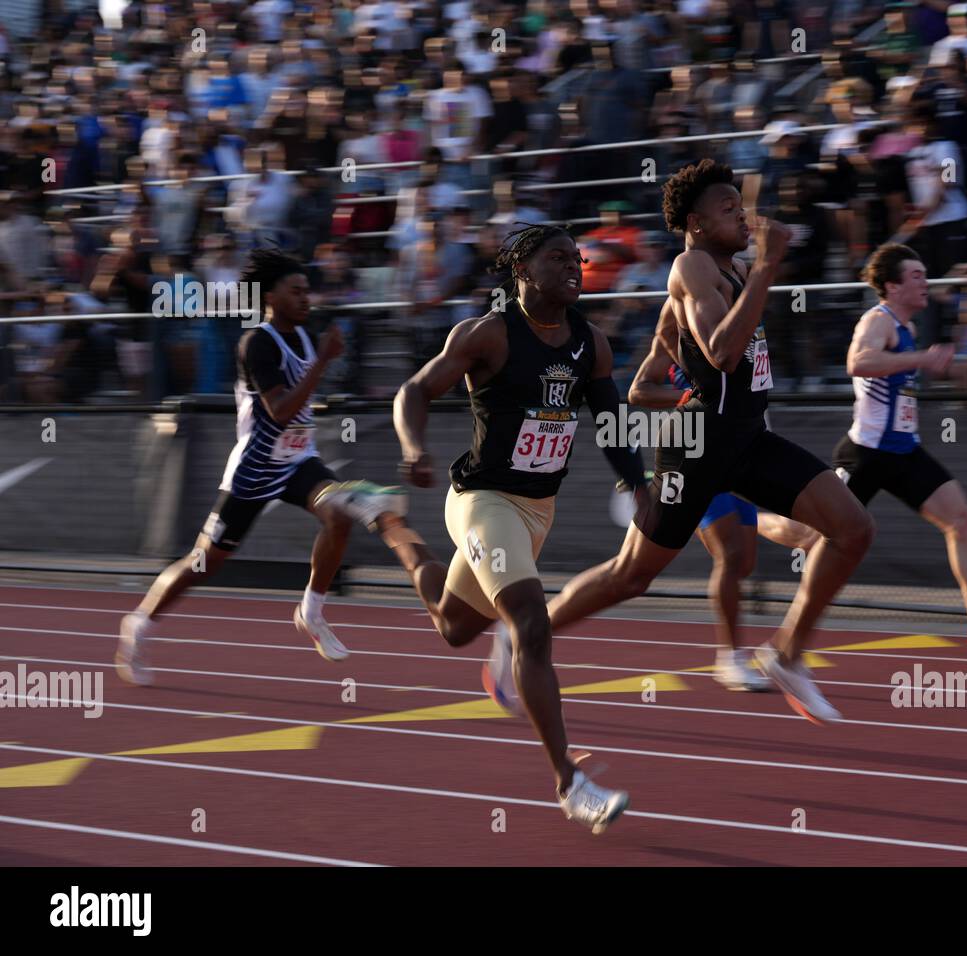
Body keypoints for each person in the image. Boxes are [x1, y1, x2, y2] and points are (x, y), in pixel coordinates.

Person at [542, 159, 875, 725]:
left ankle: (787, 655)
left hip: (747, 438)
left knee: (852, 528)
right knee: (632, 576)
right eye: (729, 210)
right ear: (695, 222)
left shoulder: (737, 272)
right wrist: (769, 267)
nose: (744, 218)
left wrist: (759, 270)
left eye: (743, 208)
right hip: (695, 446)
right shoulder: (692, 265)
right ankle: (529, 631)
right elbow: (721, 353)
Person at [370, 223, 649, 832]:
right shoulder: (487, 334)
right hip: (482, 499)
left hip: (535, 510)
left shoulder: (591, 344)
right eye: (558, 259)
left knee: (454, 627)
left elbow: (613, 424)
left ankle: (392, 529)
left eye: (577, 259)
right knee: (530, 618)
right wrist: (413, 446)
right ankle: (570, 784)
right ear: (523, 272)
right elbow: (414, 390)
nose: (574, 267)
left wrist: (638, 483)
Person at [116, 249, 407, 685]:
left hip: (299, 460)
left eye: (309, 290)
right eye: (297, 291)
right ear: (271, 296)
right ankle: (140, 623)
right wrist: (324, 363)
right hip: (256, 467)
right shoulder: (256, 343)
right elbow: (281, 411)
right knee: (203, 562)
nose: (307, 298)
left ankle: (311, 611)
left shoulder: (306, 336)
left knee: (339, 513)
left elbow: (303, 404)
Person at [836, 243, 967, 650]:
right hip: (867, 453)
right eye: (916, 276)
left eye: (925, 275)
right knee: (808, 536)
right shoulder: (879, 320)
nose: (926, 283)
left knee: (963, 520)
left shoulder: (907, 330)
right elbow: (858, 362)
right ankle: (750, 519)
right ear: (892, 286)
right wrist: (922, 361)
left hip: (904, 452)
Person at [626, 301, 819, 690]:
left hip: (744, 450)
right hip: (697, 452)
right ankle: (730, 658)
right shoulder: (677, 332)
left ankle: (770, 649)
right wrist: (690, 399)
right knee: (730, 555)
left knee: (744, 560)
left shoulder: (744, 318)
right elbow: (639, 391)